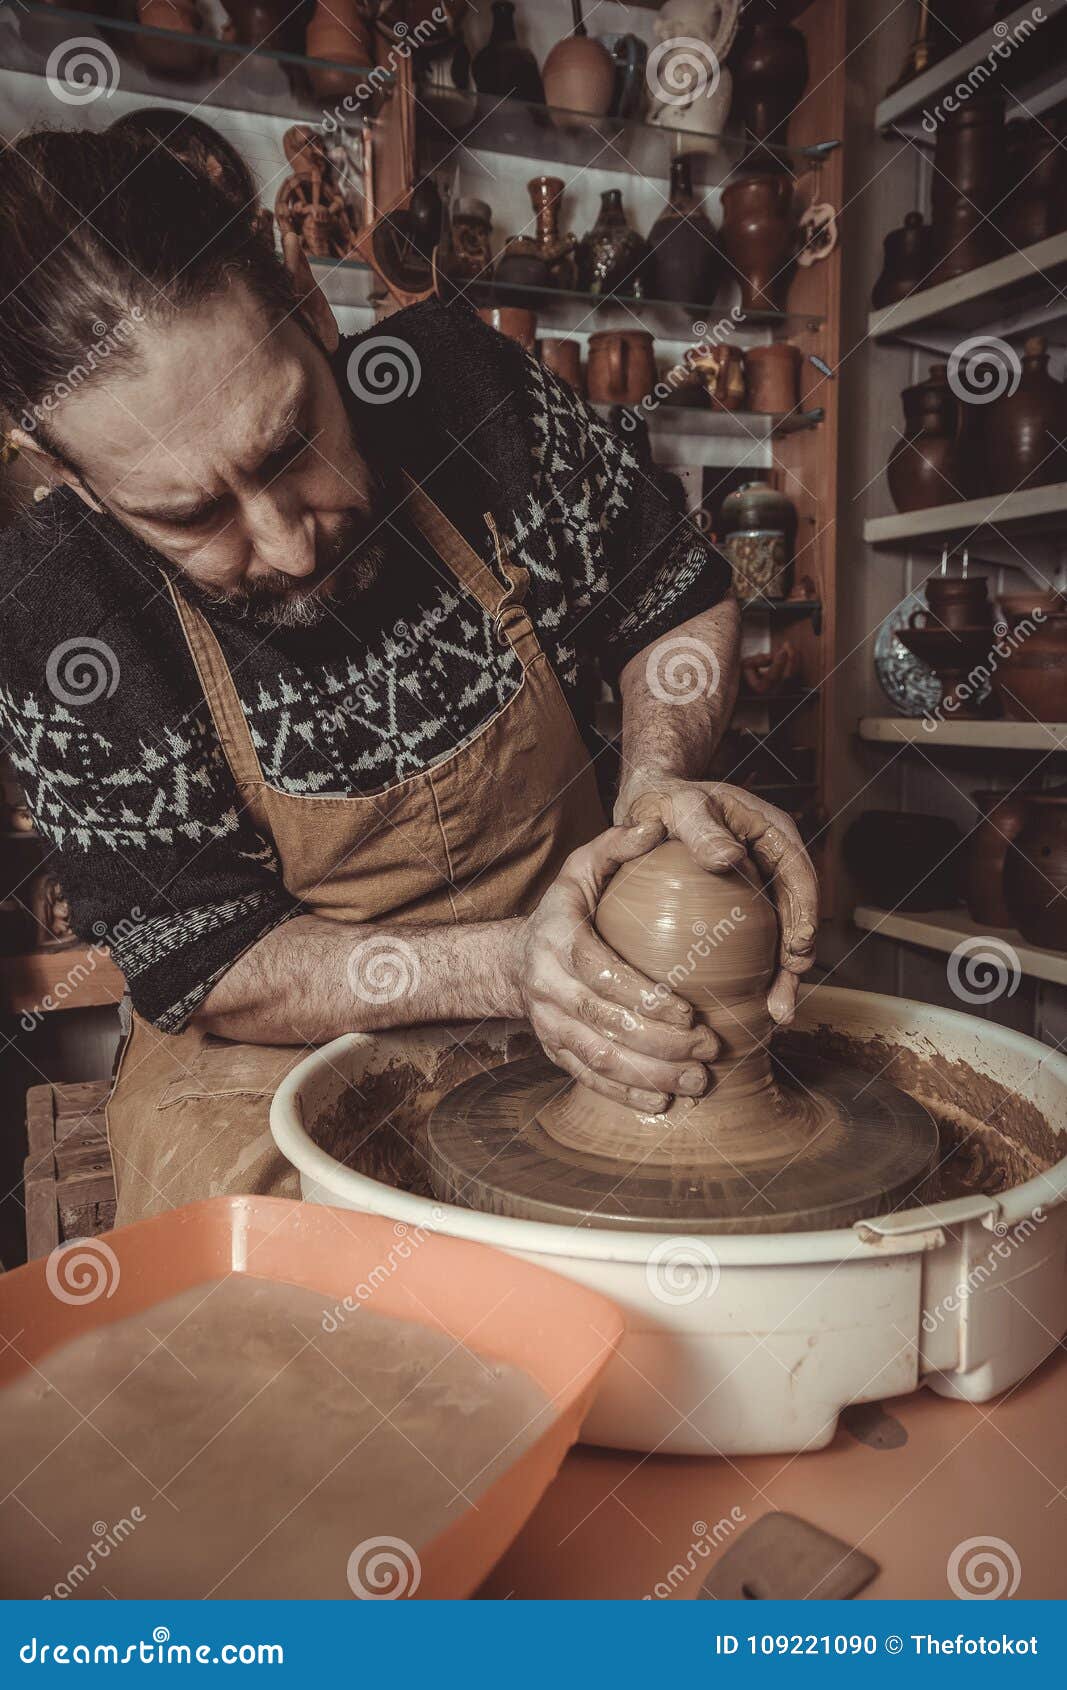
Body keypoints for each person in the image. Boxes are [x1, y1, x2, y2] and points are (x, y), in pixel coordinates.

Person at [0, 118, 818, 1223]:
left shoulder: (455, 384)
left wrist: (655, 788)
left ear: (304, 303)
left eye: (290, 442)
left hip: (589, 973)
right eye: (190, 516)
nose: (287, 543)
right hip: (269, 1062)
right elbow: (205, 959)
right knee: (303, 1274)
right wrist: (499, 970)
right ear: (77, 482)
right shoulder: (59, 611)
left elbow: (667, 600)